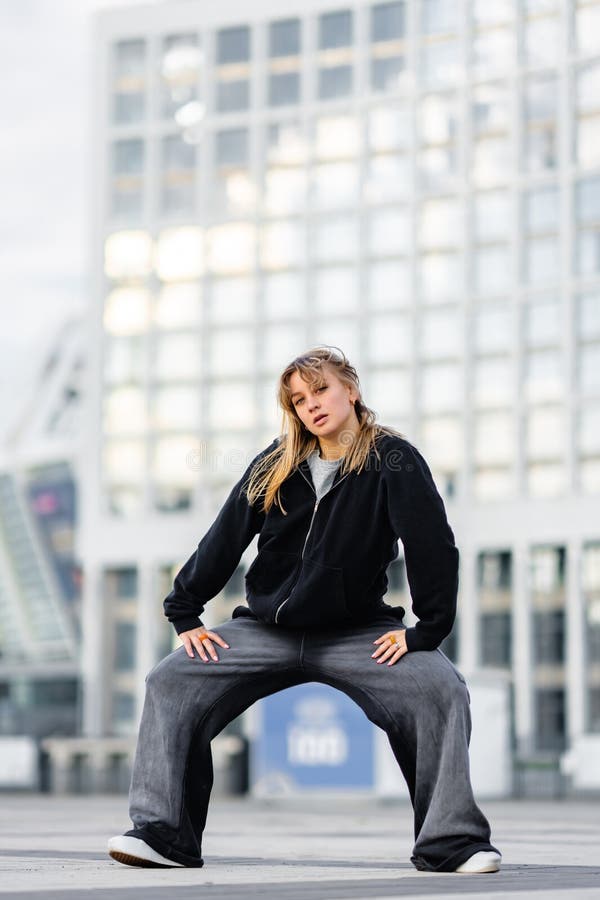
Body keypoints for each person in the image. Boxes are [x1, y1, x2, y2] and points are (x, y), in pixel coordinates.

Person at [108, 346, 501, 874]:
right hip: (267, 630)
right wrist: (185, 613)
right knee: (171, 680)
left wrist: (425, 631)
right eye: (298, 399)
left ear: (350, 390)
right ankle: (163, 836)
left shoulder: (393, 460)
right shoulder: (277, 462)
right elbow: (226, 535)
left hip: (358, 634)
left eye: (320, 390)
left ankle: (451, 843)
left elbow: (432, 543)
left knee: (439, 688)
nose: (310, 404)